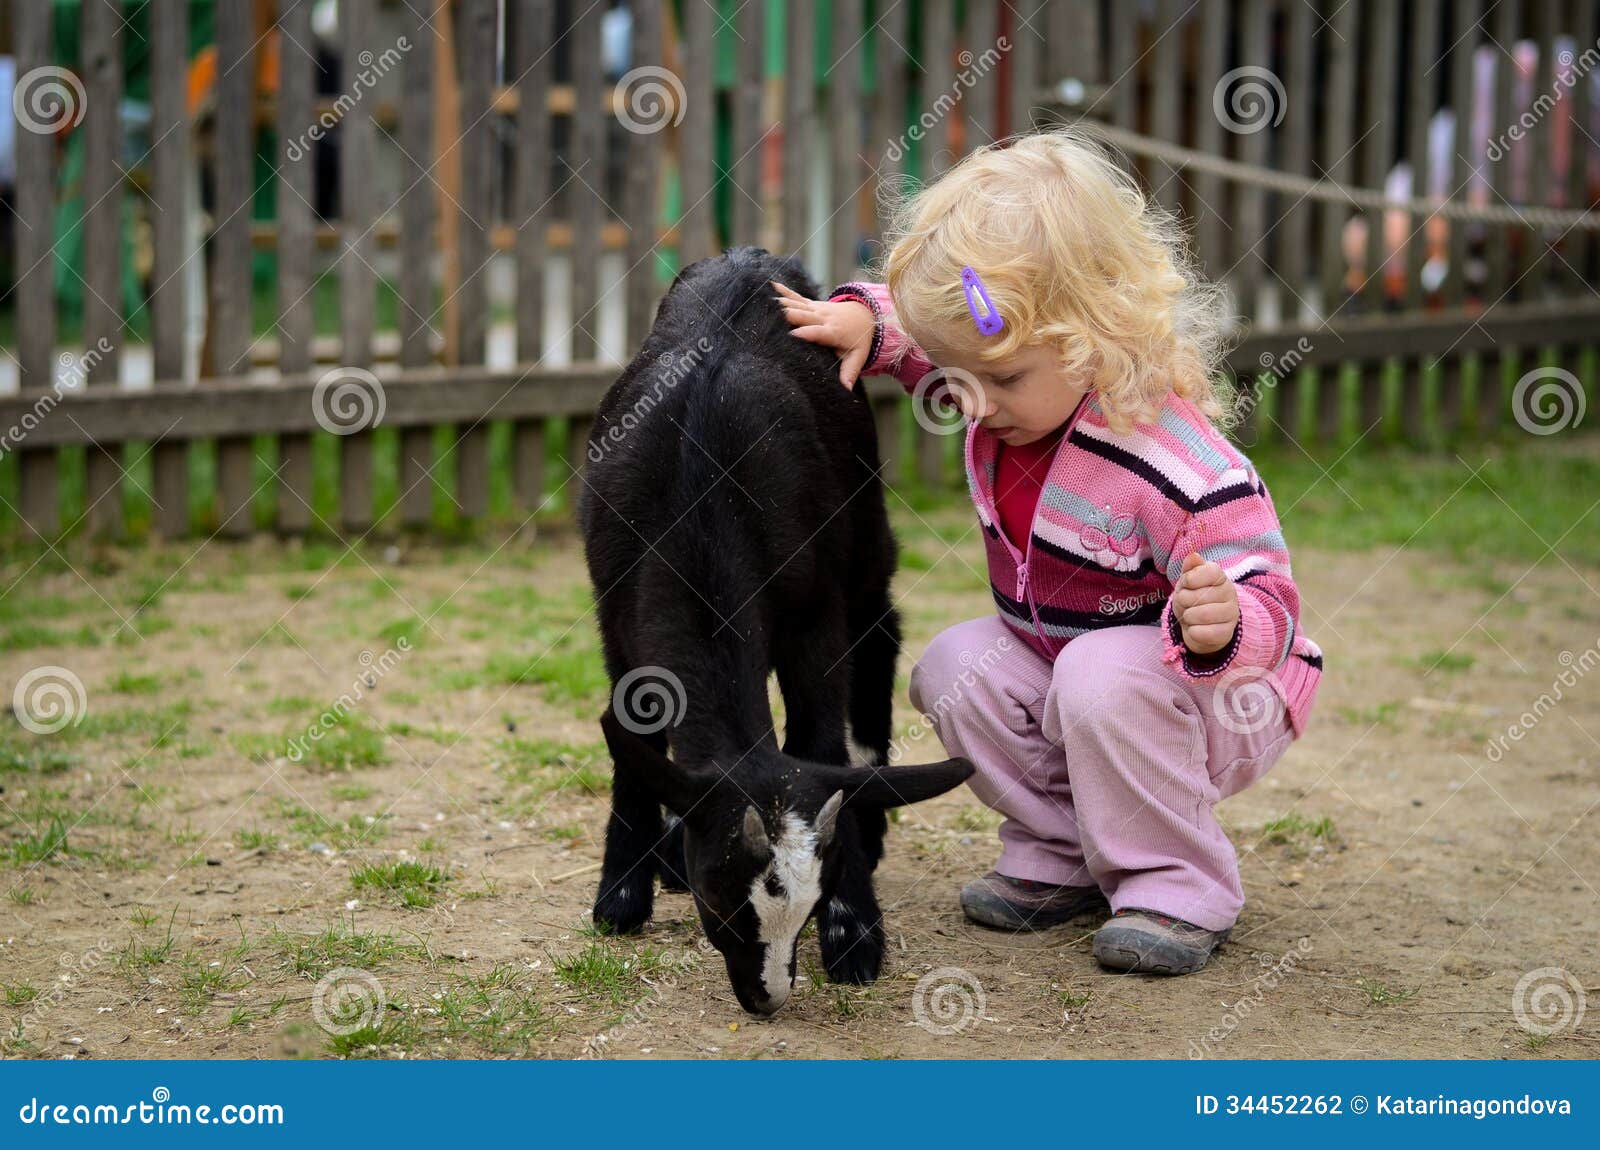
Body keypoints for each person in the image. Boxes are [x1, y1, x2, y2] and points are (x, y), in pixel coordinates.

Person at [773, 128, 1323, 976]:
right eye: (961, 375)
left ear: (1090, 339)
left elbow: (1272, 602)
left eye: (1001, 380)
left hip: (1212, 696)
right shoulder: (1002, 370)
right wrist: (867, 320)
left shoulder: (1173, 461)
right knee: (957, 663)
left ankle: (1177, 883)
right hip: (1070, 673)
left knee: (1099, 675)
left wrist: (1226, 622)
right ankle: (1067, 851)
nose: (972, 401)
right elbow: (932, 337)